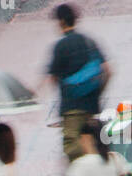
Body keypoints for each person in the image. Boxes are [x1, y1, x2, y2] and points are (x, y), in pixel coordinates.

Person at [47, 4, 110, 161]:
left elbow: (53, 78)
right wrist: (97, 93)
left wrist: (68, 93)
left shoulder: (61, 45)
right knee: (93, 146)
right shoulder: (90, 42)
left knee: (74, 149)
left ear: (61, 21)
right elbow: (108, 71)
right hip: (91, 107)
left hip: (71, 109)